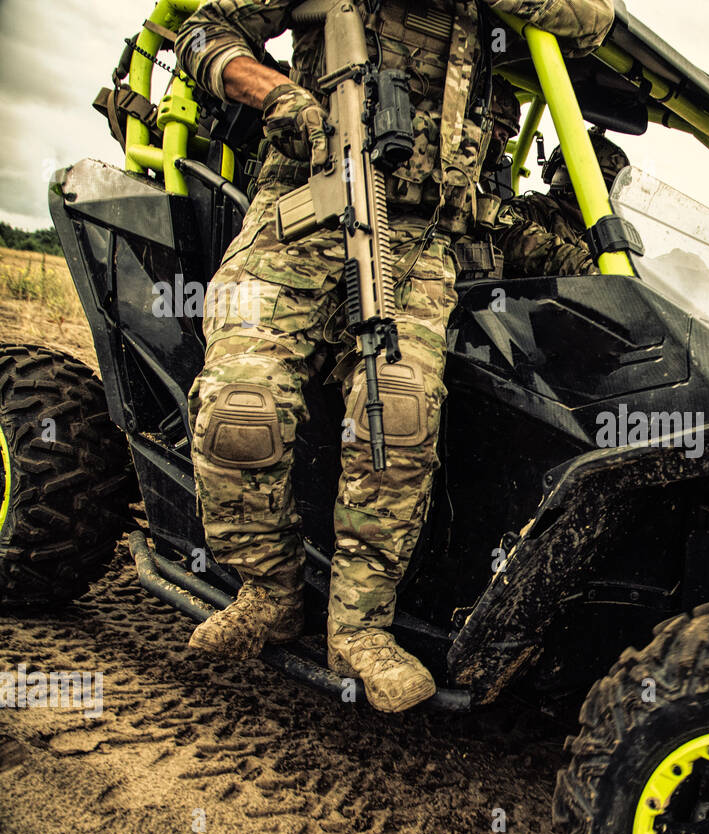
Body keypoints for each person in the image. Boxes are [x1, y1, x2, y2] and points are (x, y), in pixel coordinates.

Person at [176, 0, 614, 713]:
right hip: (299, 210)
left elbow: (593, 20)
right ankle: (267, 590)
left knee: (398, 419)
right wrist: (278, 95)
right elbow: (200, 32)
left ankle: (358, 630)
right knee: (240, 408)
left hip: (417, 238)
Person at [491, 128, 629, 278]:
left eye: (612, 191)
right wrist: (588, 268)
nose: (607, 197)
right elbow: (518, 240)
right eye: (603, 187)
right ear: (571, 178)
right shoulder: (529, 210)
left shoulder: (597, 237)